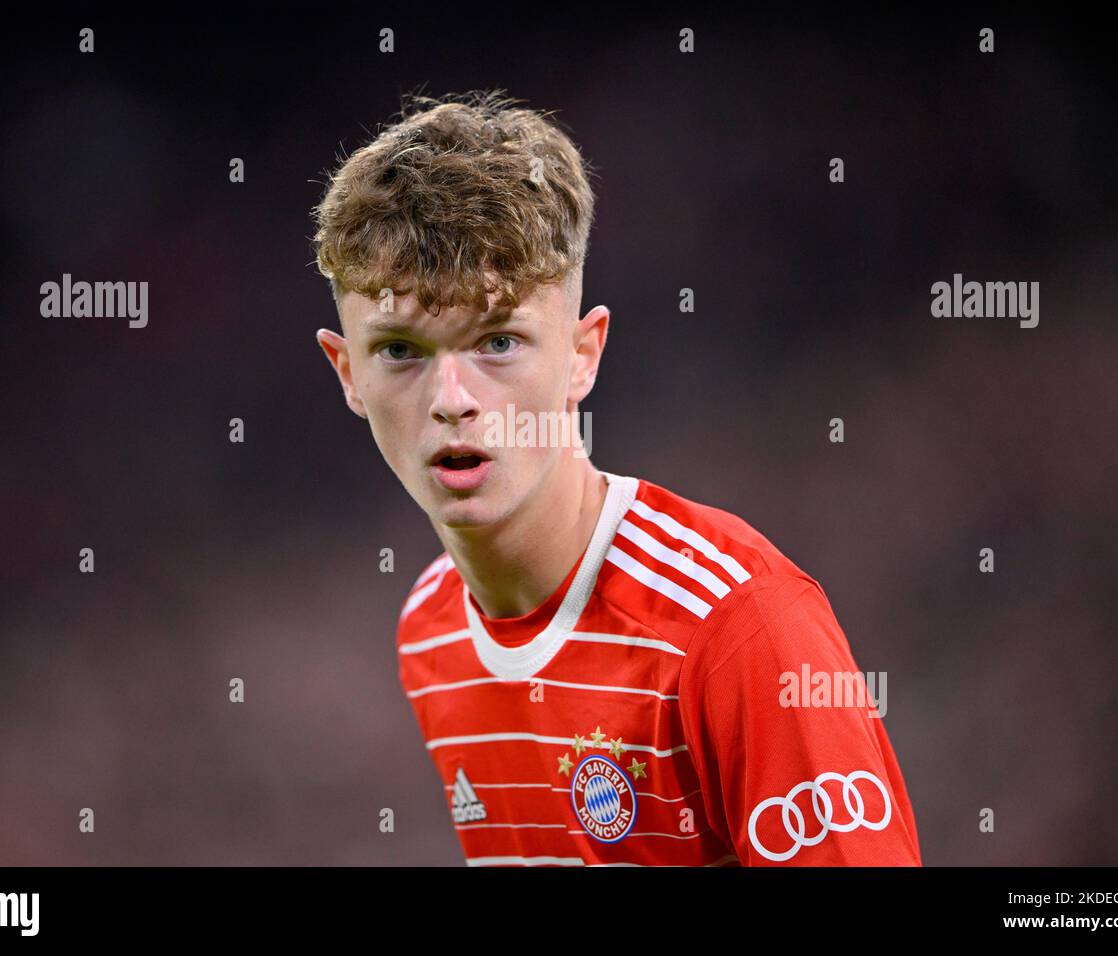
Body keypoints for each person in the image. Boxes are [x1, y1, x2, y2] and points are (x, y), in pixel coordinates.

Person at [312, 89, 921, 866]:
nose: (453, 402)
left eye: (498, 341)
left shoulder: (738, 628)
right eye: (400, 350)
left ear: (582, 354)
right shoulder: (429, 630)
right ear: (347, 373)